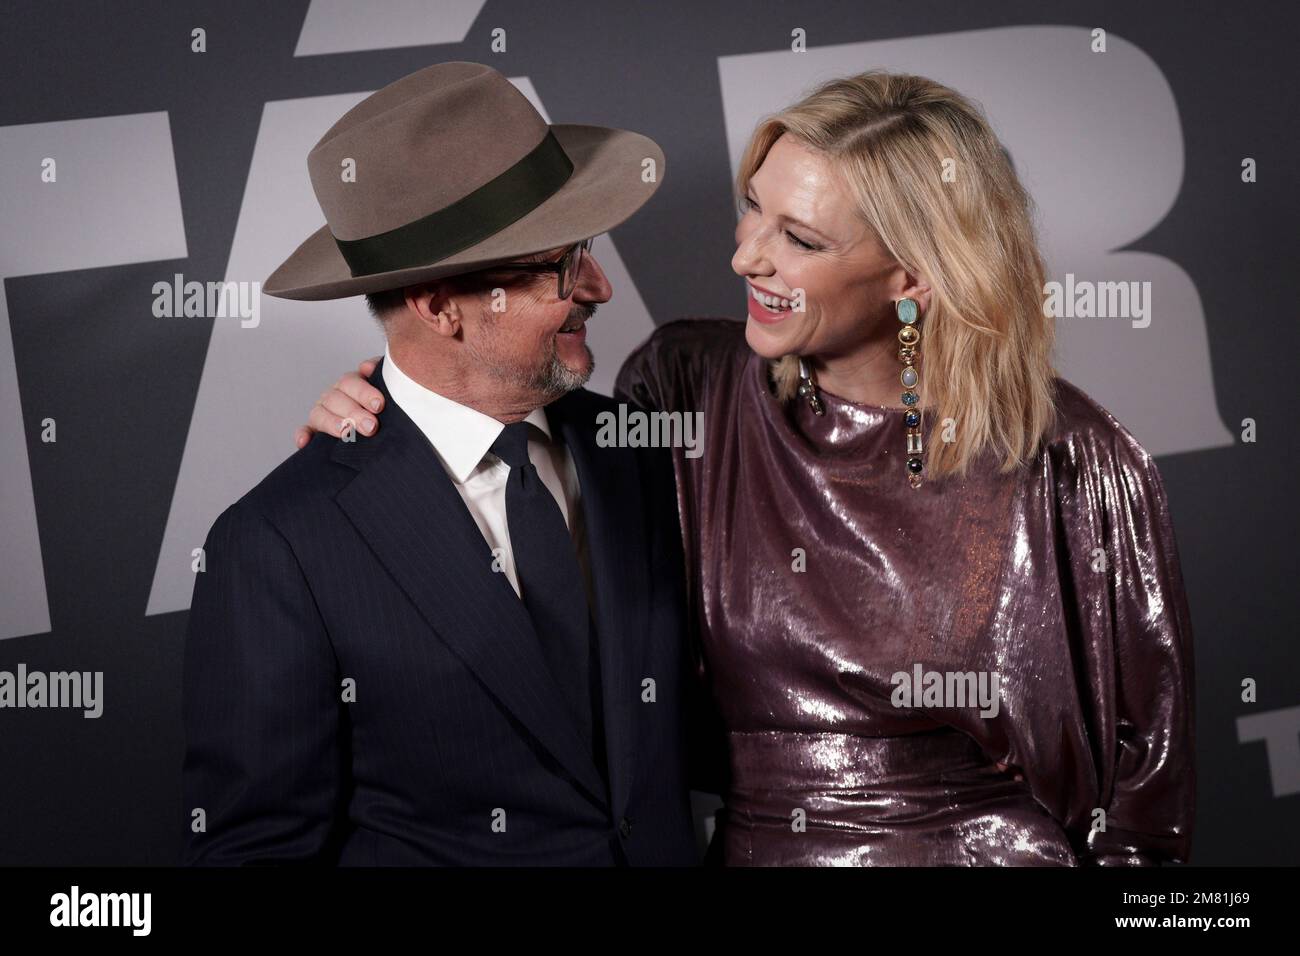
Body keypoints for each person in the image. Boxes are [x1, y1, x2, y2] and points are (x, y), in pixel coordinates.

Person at [300, 71, 1196, 865]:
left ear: (914, 278)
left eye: (800, 239)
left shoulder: (1073, 462)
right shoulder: (689, 385)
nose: (745, 256)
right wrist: (392, 419)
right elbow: (509, 454)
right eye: (752, 207)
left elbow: (1145, 807)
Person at [182, 61, 699, 866]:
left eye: (587, 251)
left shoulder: (636, 449)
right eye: (561, 267)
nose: (596, 286)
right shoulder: (278, 546)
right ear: (438, 306)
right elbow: (257, 848)